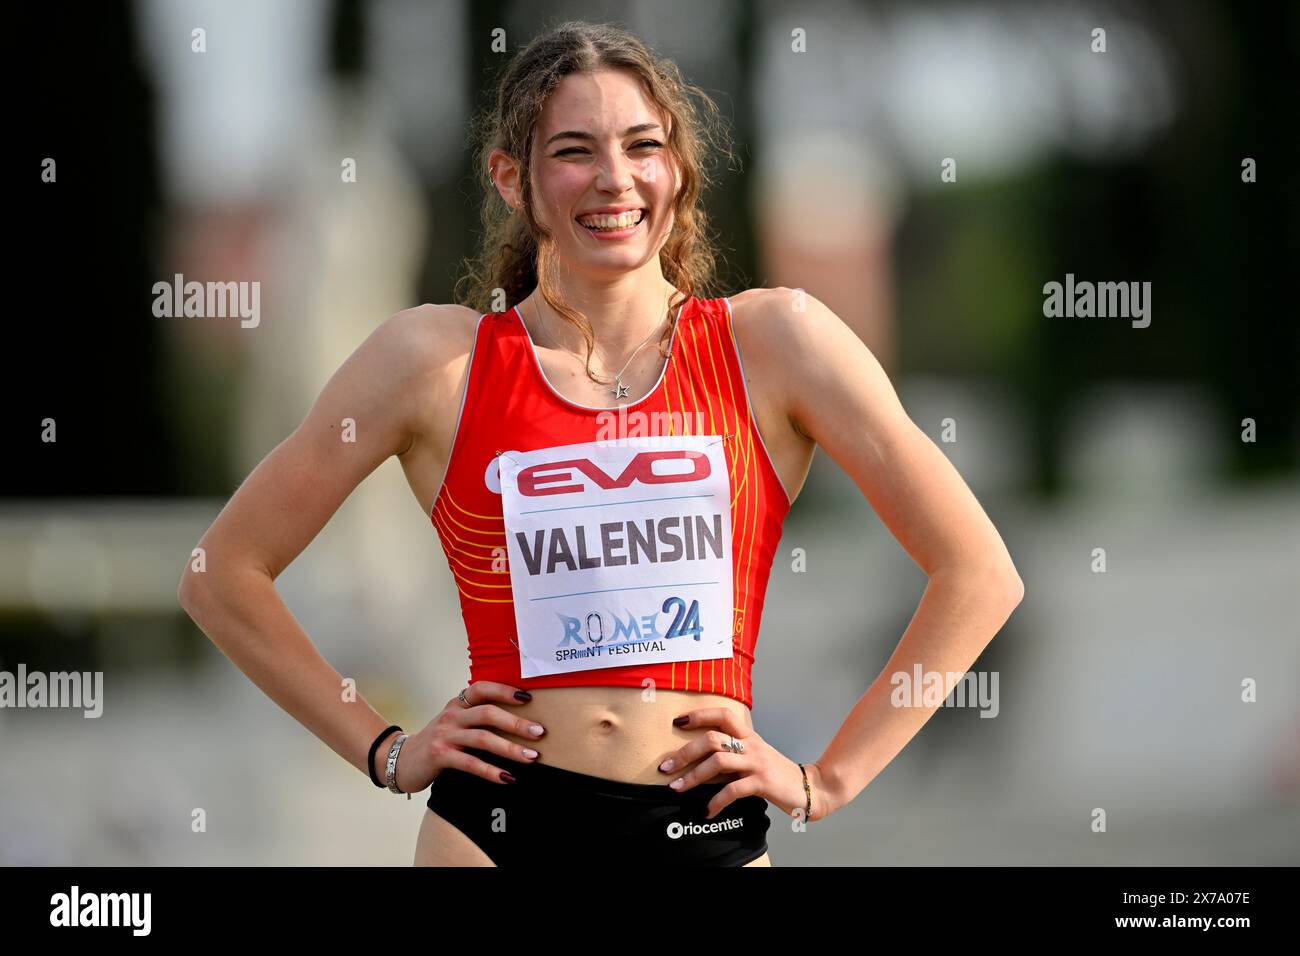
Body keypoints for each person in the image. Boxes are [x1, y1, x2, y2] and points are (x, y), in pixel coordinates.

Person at [177, 20, 1023, 867]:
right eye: (575, 151)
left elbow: (979, 574)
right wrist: (386, 749)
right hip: (497, 831)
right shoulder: (431, 363)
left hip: (706, 830)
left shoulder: (780, 345)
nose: (614, 179)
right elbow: (223, 575)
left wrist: (827, 779)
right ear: (513, 179)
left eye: (642, 146)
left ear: (678, 167)